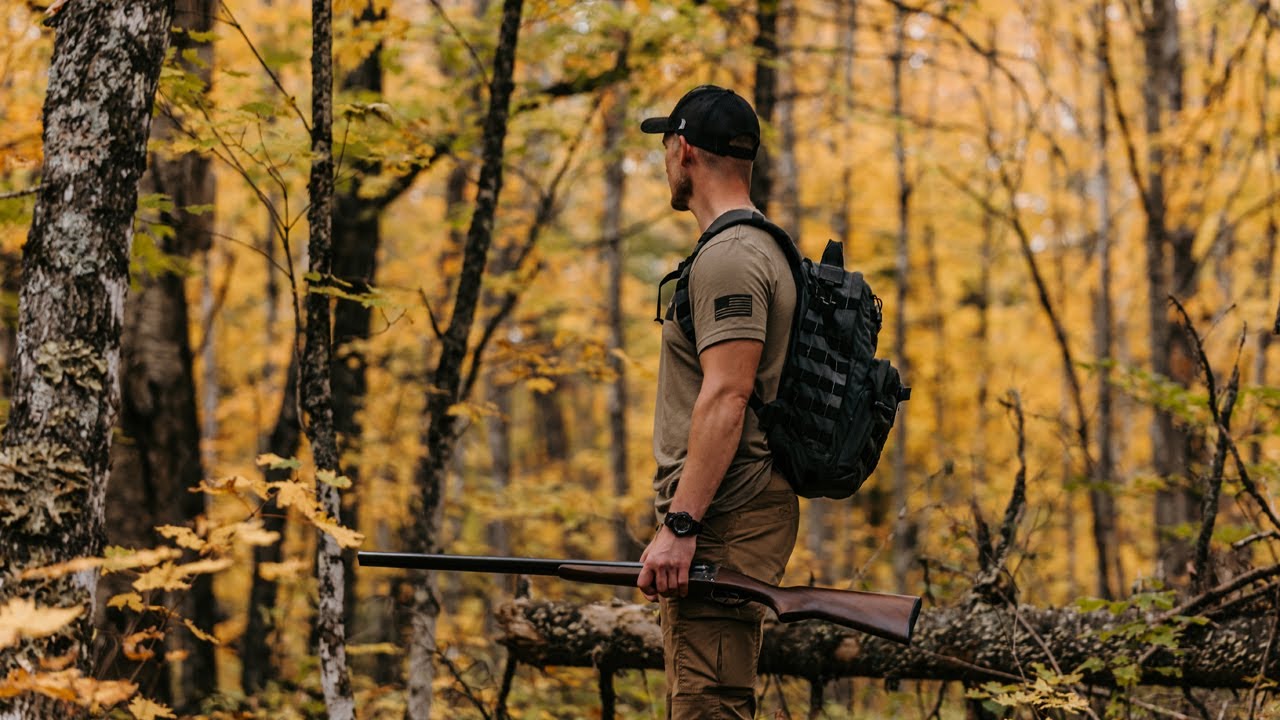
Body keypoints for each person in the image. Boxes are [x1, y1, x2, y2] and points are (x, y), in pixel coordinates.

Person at [636, 85, 800, 720]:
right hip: (730, 512)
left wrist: (681, 526)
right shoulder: (757, 245)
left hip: (724, 516)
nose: (665, 162)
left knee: (708, 707)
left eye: (665, 148)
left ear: (684, 151)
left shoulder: (730, 257)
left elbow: (728, 396)